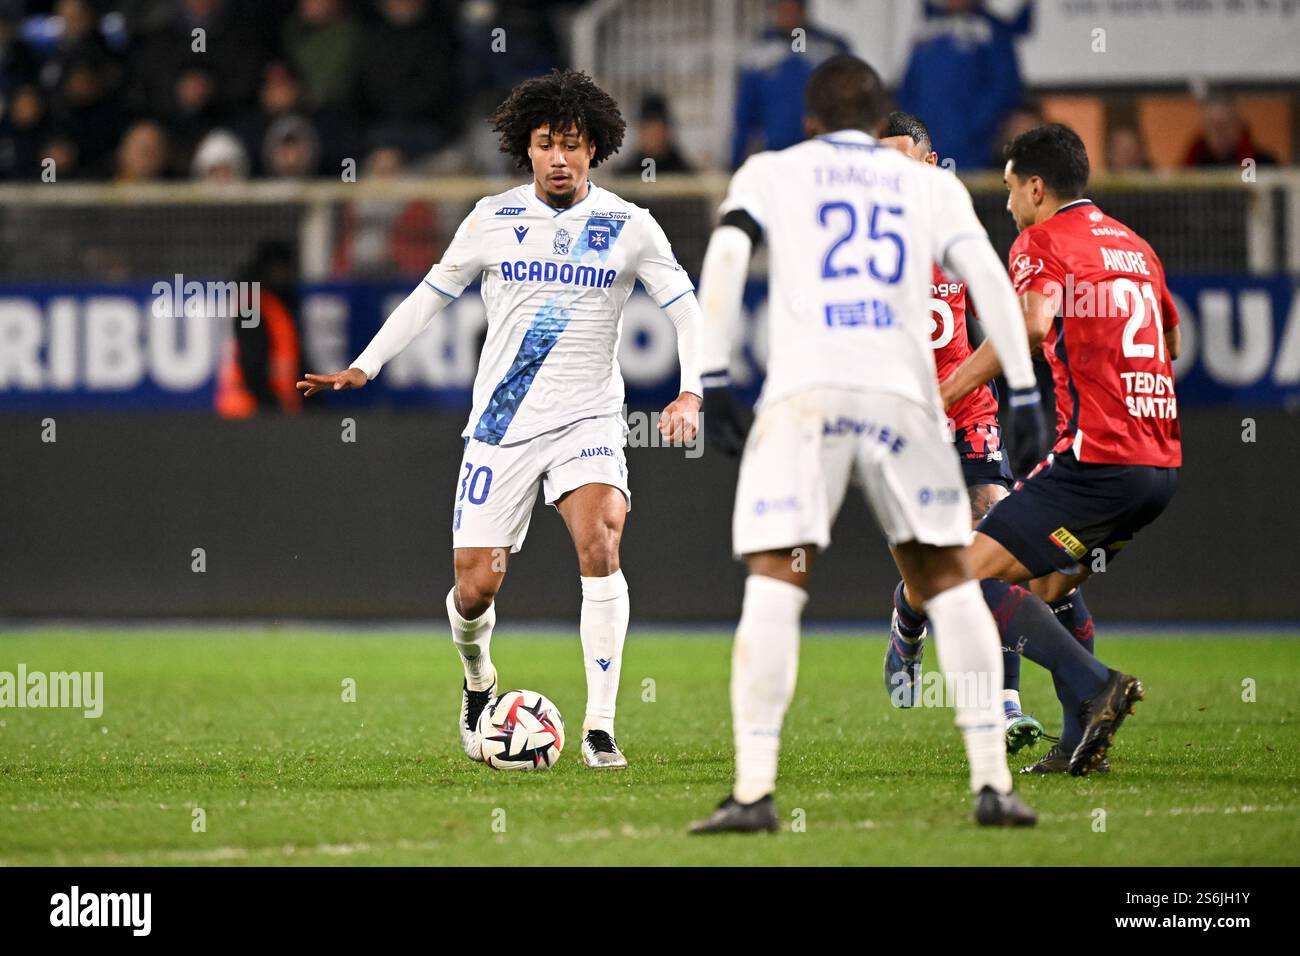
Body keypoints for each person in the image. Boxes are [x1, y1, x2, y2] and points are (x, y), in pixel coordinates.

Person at [297, 69, 703, 771]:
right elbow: (429, 298)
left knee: (601, 541)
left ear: (595, 148)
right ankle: (478, 677)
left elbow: (686, 307)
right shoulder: (492, 218)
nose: (559, 158)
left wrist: (691, 391)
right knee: (476, 581)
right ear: (528, 149)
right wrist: (365, 365)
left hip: (589, 417)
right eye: (547, 143)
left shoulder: (628, 226)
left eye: (573, 145)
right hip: (503, 421)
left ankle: (600, 727)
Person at [689, 55, 1044, 834]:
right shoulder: (929, 183)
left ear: (809, 121)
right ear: (877, 115)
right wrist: (1021, 389)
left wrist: (710, 376)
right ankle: (993, 784)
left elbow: (725, 251)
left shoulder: (772, 170)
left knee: (775, 579)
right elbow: (985, 273)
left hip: (803, 393)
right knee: (949, 578)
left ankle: (753, 792)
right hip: (904, 396)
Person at [937, 123, 1179, 774]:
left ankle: (1096, 684)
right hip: (1158, 464)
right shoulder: (1136, 248)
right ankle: (1080, 741)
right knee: (1042, 584)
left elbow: (1031, 323)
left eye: (1012, 189)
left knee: (959, 579)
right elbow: (1171, 344)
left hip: (1096, 459)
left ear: (1037, 188)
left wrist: (947, 391)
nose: (1009, 204)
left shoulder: (1040, 240)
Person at [876, 109, 1046, 754]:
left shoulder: (956, 231)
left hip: (968, 417)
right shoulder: (857, 244)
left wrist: (1023, 393)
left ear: (927, 161)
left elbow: (1006, 312)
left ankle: (1006, 705)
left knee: (995, 550)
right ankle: (908, 615)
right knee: (928, 577)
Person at [898, 0, 1030, 171]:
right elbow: (909, 87)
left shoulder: (993, 31)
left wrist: (973, 127)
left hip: (973, 152)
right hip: (925, 149)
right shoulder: (927, 30)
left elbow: (1004, 88)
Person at [730, 0, 850, 169]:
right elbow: (744, 113)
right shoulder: (757, 53)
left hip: (823, 151)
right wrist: (734, 161)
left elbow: (851, 100)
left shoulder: (830, 48)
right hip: (778, 153)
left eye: (793, 5)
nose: (788, 9)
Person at [1183, 94, 1279, 169]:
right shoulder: (1195, 163)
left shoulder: (1264, 164)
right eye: (1212, 126)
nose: (1219, 133)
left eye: (1225, 125)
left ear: (1238, 125)